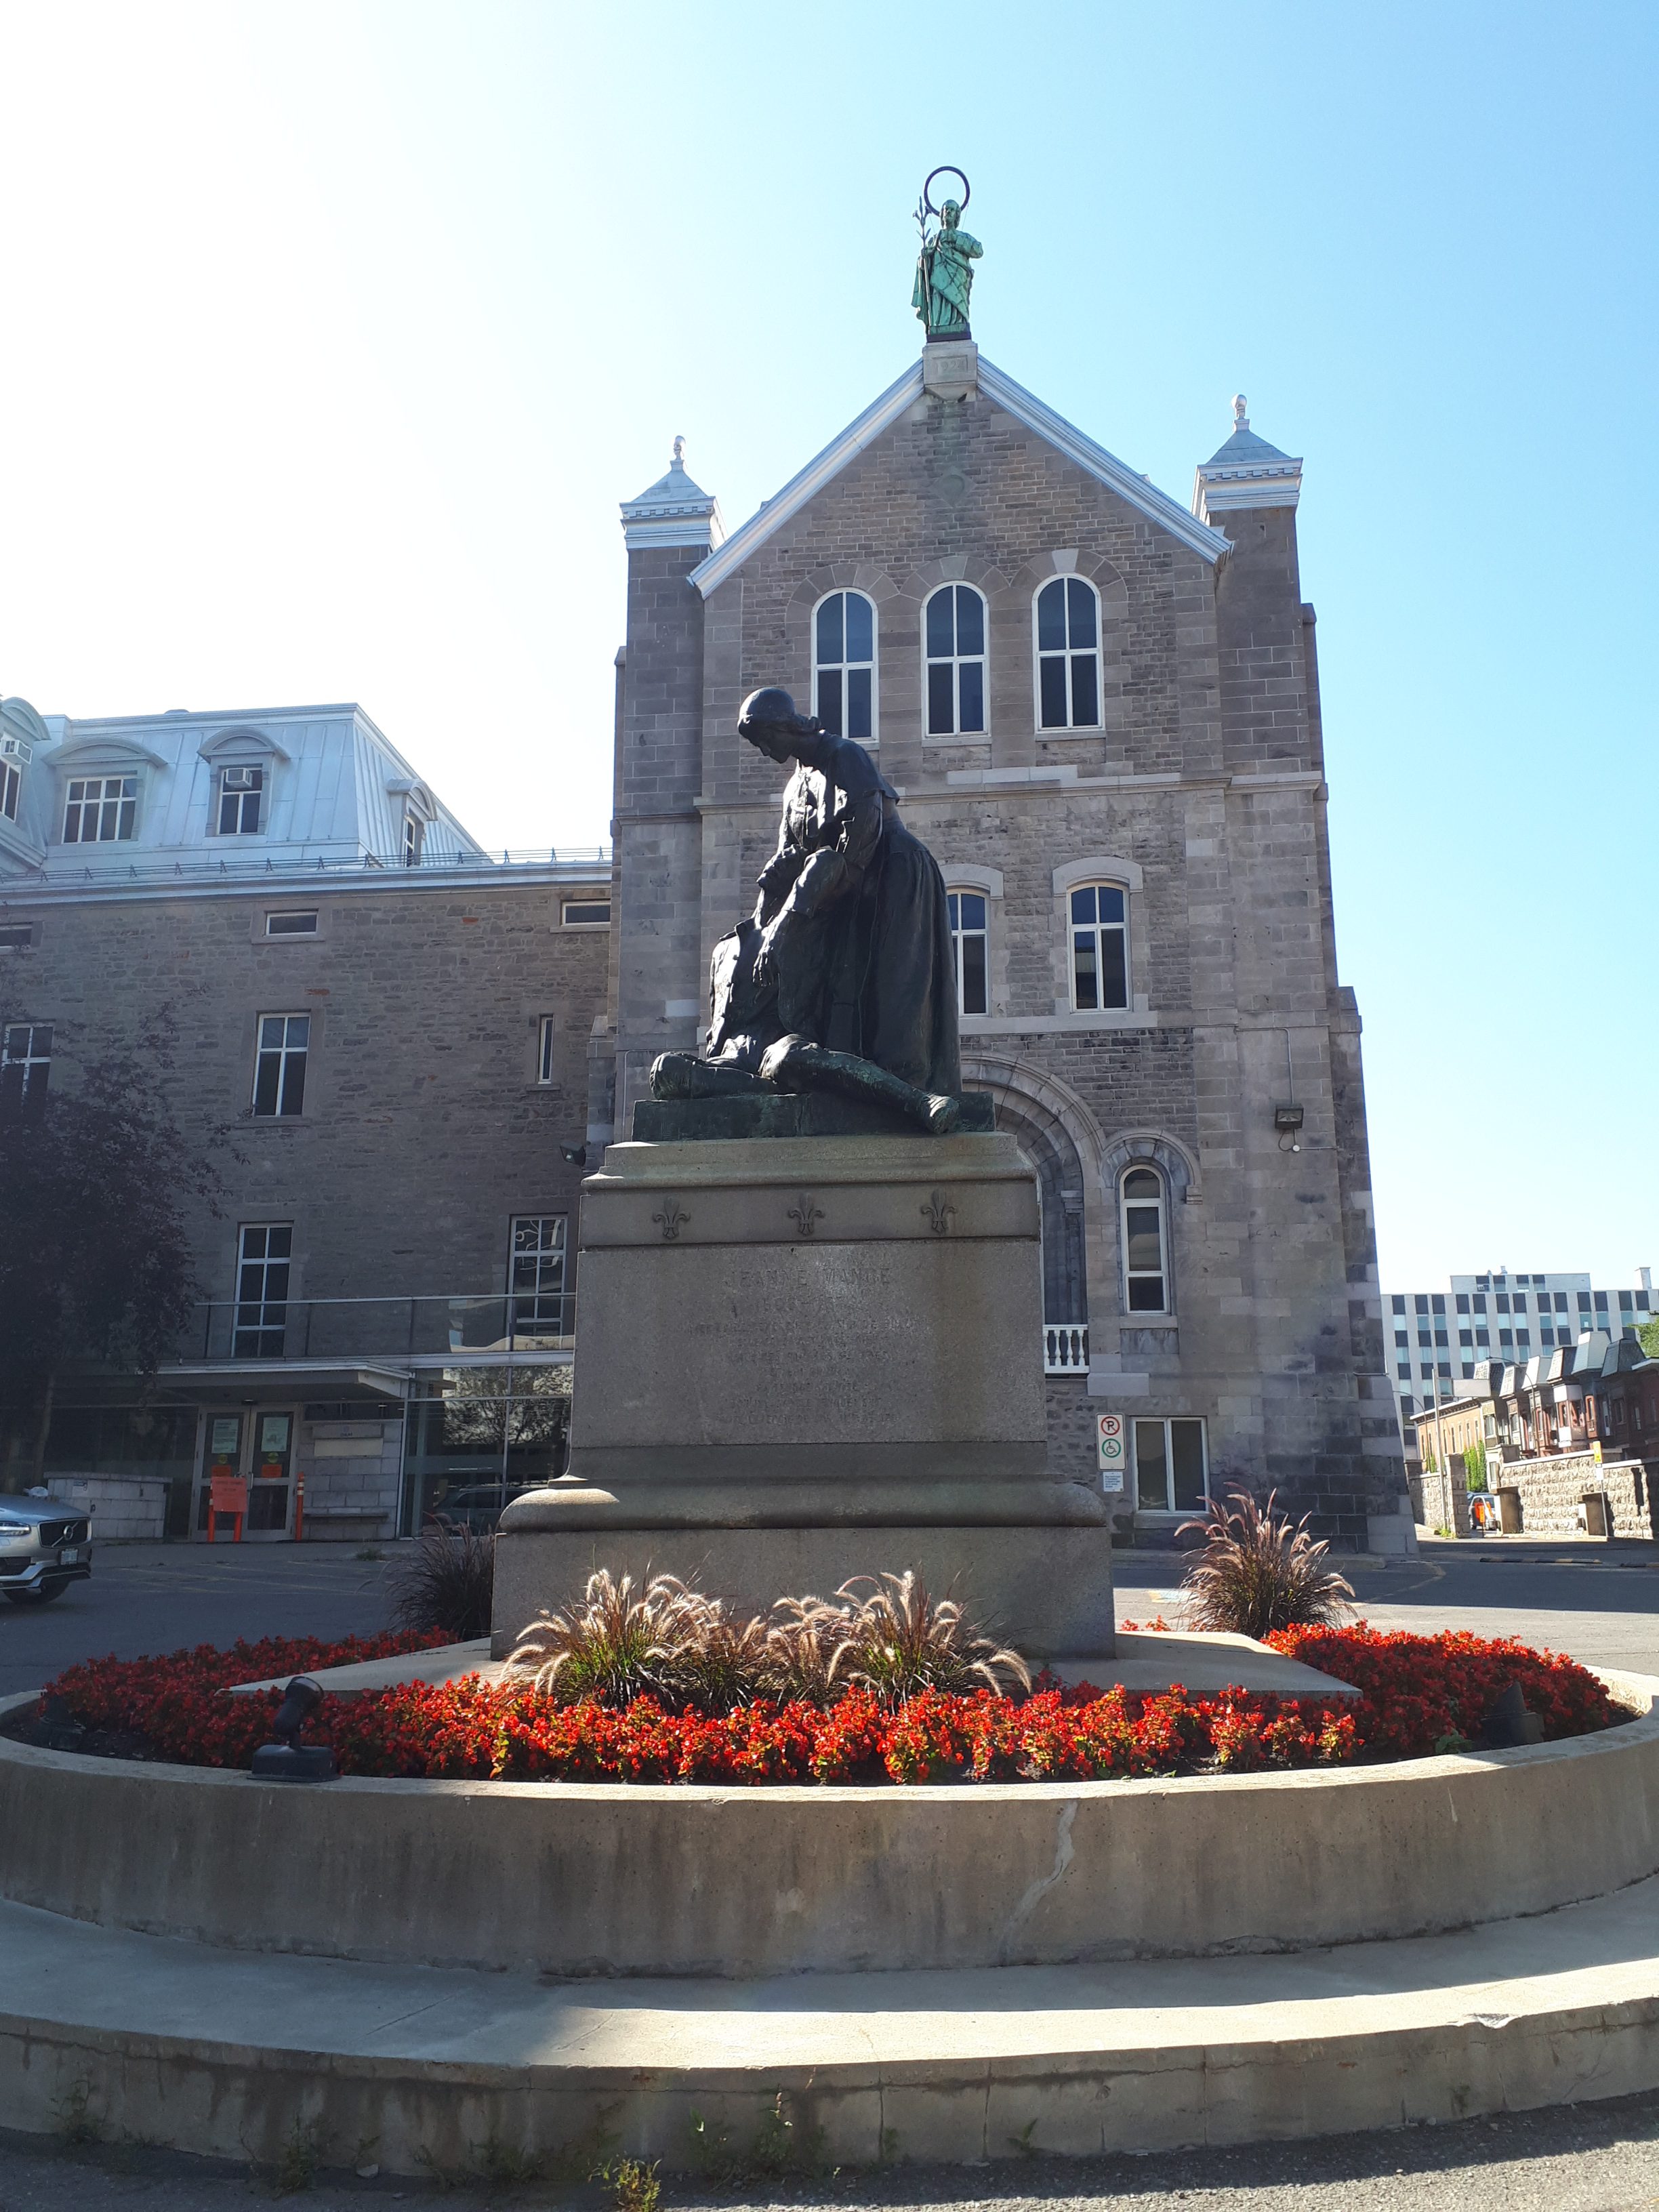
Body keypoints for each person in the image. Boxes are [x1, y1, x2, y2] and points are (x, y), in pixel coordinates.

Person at [651, 689, 962, 1132]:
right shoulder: (794, 786)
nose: (764, 750)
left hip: (889, 873)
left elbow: (858, 845)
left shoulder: (844, 757)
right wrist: (771, 917)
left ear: (785, 727)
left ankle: (911, 1099)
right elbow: (786, 861)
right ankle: (860, 1094)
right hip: (835, 892)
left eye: (765, 738)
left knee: (897, 995)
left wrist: (791, 923)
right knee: (848, 1008)